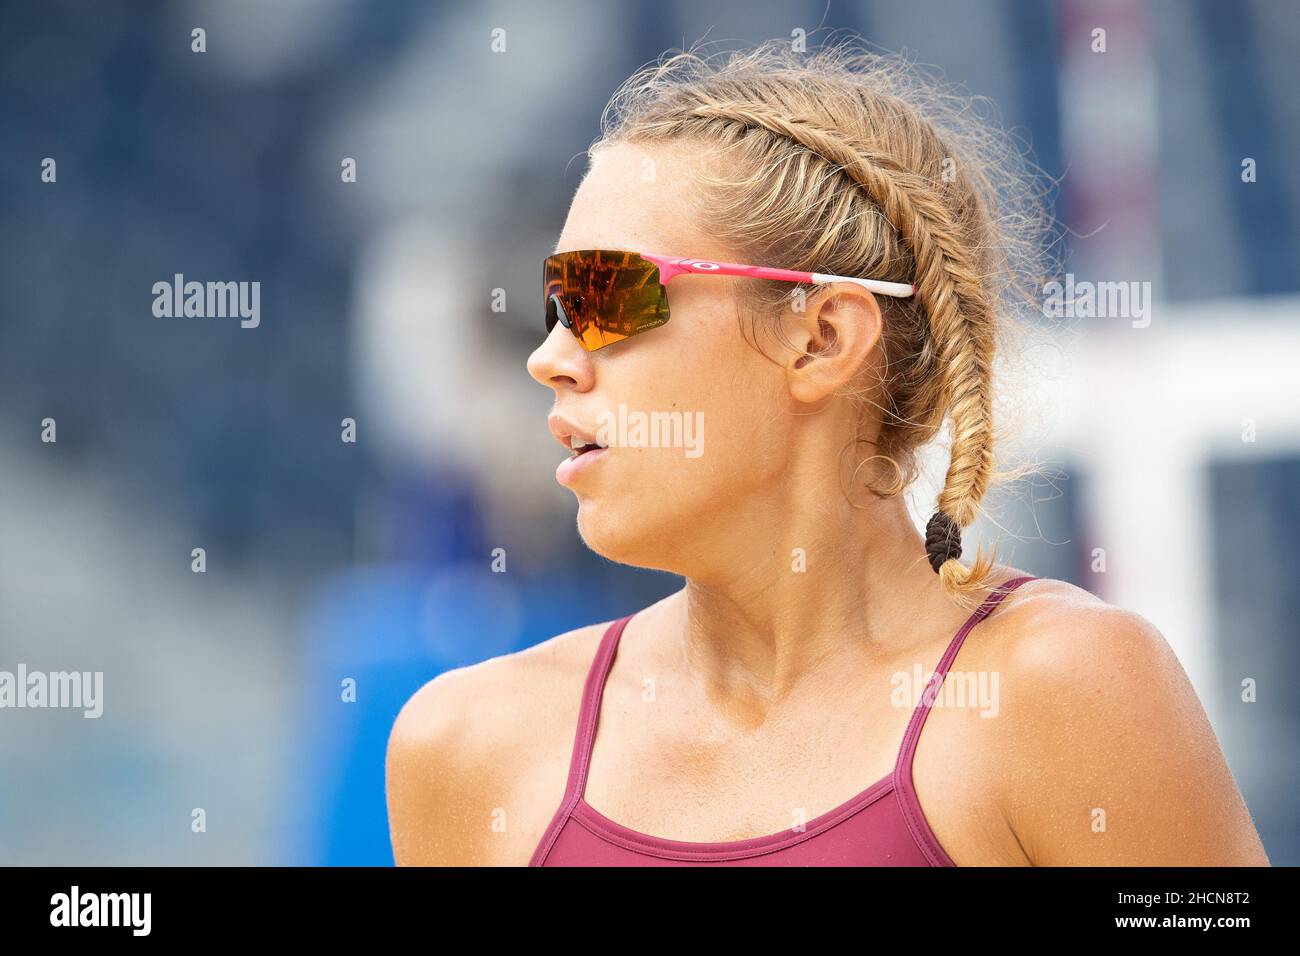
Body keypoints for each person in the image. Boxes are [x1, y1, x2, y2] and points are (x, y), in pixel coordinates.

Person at [386, 40, 1269, 866]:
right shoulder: (469, 747)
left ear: (821, 337)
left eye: (603, 291)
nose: (548, 357)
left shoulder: (1066, 695)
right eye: (554, 301)